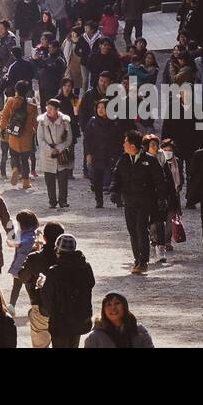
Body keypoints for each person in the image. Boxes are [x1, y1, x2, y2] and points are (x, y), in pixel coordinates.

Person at [114, 131, 160, 274]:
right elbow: (116, 177)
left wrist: (162, 198)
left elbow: (160, 180)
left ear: (132, 146)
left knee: (141, 229)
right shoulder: (123, 159)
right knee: (132, 231)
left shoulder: (150, 161)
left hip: (144, 201)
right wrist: (114, 191)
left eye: (125, 142)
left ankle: (143, 260)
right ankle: (136, 259)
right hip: (129, 201)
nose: (123, 144)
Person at [39, 233, 96, 348]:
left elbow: (47, 297)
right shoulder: (85, 267)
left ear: (57, 250)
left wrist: (41, 286)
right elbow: (91, 284)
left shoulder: (54, 271)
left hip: (60, 322)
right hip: (80, 318)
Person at [0, 81, 39, 189]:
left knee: (14, 156)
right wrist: (37, 133)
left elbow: (4, 116)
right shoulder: (32, 106)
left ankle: (15, 169)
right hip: (26, 136)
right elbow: (35, 123)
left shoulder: (11, 101)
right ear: (27, 92)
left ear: (16, 90)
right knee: (25, 160)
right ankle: (26, 181)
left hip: (14, 135)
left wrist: (3, 128)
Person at [83, 292, 154, 348]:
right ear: (103, 310)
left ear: (125, 307)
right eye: (109, 304)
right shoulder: (94, 337)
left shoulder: (139, 330)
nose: (113, 308)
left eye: (117, 303)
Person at [39, 97, 75, 209]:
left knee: (63, 179)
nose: (48, 110)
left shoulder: (64, 121)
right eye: (47, 108)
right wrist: (50, 149)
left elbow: (69, 139)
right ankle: (52, 201)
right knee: (49, 179)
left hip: (62, 154)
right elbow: (40, 139)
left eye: (51, 108)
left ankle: (63, 201)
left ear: (57, 109)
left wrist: (59, 148)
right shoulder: (42, 122)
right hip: (47, 154)